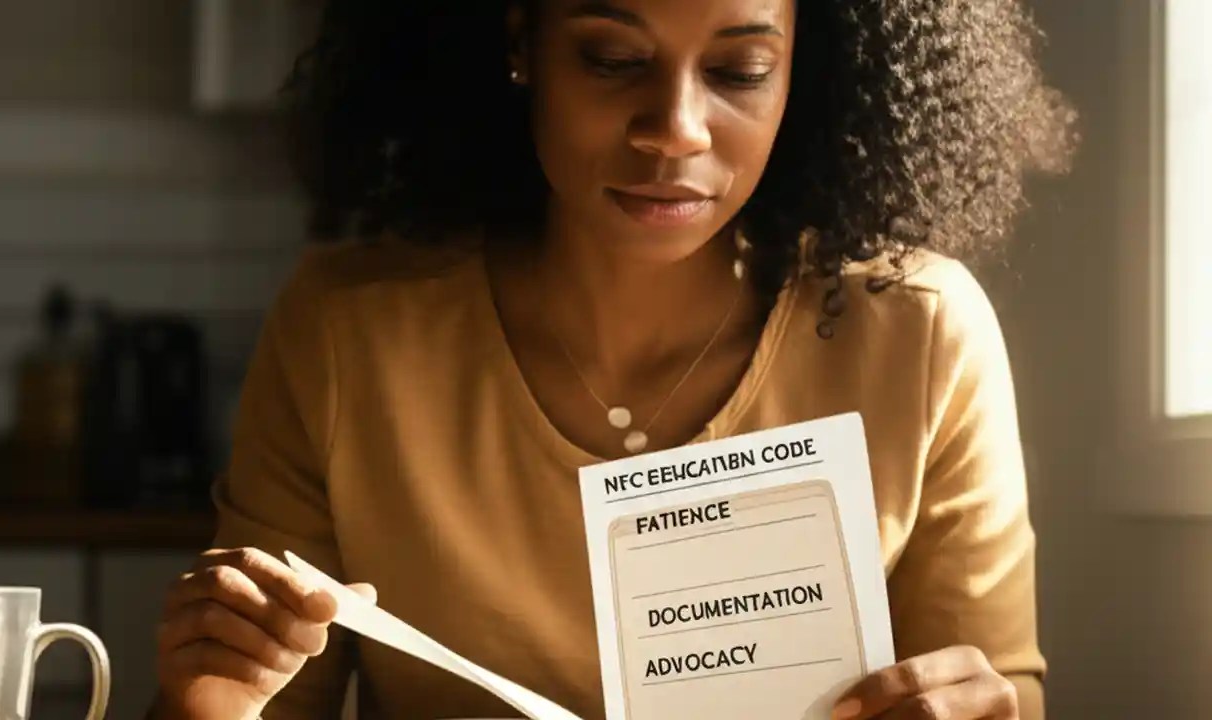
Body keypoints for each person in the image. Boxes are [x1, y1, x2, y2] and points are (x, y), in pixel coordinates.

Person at [148, 0, 1077, 718]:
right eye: (614, 59)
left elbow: (1002, 693)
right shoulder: (348, 336)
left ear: (808, 70)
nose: (675, 128)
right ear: (523, 42)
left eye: (741, 69)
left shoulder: (919, 336)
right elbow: (260, 701)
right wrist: (213, 701)